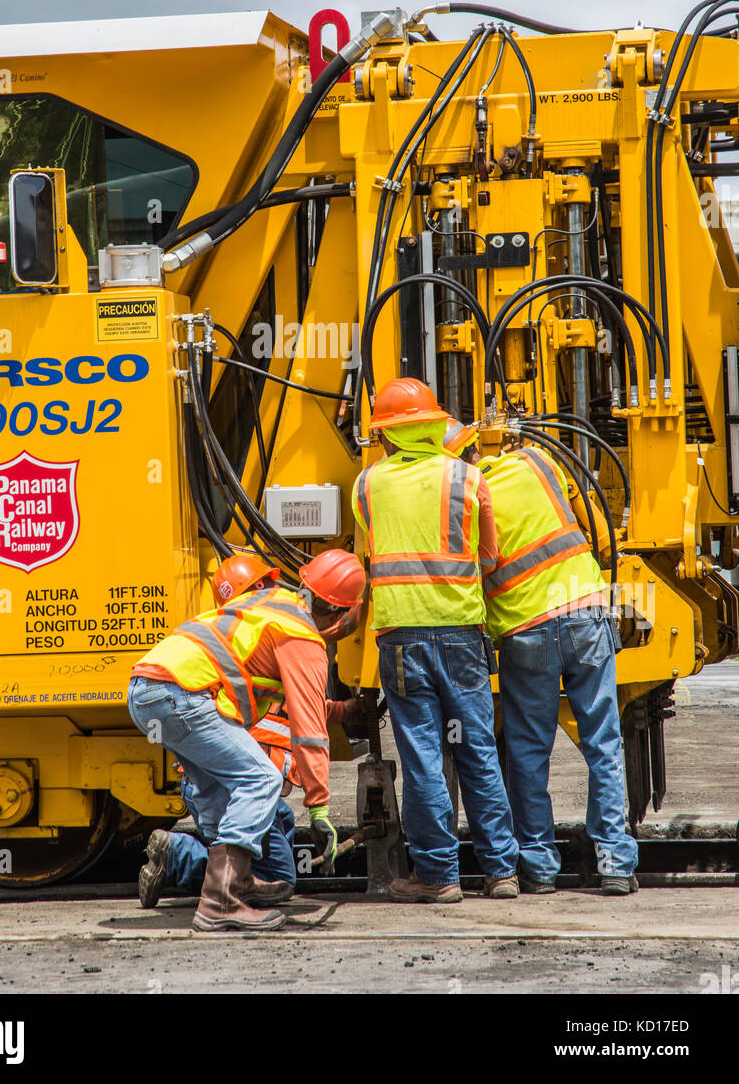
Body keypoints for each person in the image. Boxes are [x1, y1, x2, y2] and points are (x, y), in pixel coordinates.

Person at [127, 548, 366, 931]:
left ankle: (234, 881)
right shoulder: (301, 635)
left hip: (147, 688)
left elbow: (298, 701)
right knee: (261, 779)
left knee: (217, 782)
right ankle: (221, 900)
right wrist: (319, 807)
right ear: (340, 615)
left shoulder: (268, 600)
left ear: (304, 583)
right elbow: (309, 730)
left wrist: (342, 709)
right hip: (180, 693)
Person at [352, 377, 520, 903]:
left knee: (424, 756)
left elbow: (370, 549)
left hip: (401, 639)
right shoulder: (467, 478)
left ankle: (439, 876)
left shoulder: (367, 485)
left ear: (387, 434)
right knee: (478, 752)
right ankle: (502, 872)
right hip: (463, 636)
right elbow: (489, 558)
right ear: (433, 424)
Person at [473, 440, 639, 895]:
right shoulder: (535, 459)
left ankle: (540, 867)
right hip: (586, 613)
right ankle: (614, 863)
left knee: (528, 754)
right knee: (603, 742)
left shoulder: (465, 495)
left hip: (526, 632)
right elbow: (586, 518)